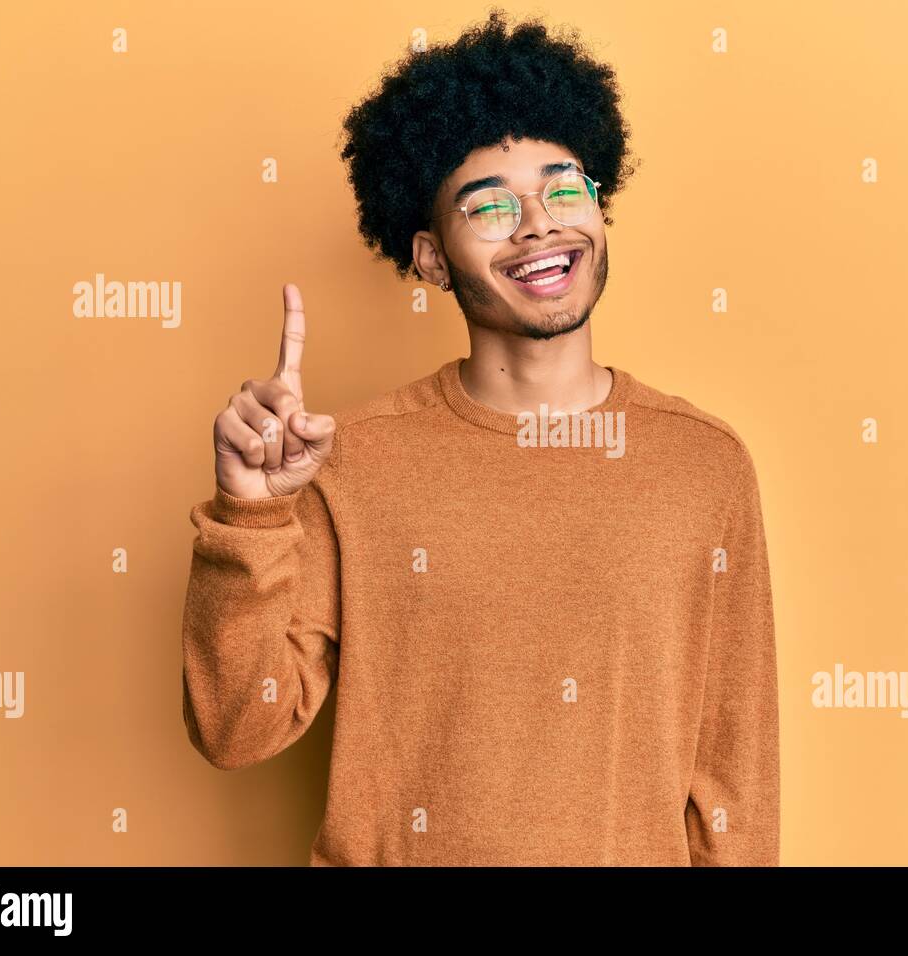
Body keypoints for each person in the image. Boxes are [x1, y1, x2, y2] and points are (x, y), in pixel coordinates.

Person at [181, 8, 779, 866]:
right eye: (491, 206)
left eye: (564, 188)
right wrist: (249, 516)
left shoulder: (703, 464)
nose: (540, 224)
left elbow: (735, 783)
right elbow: (236, 729)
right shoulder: (346, 461)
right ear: (429, 258)